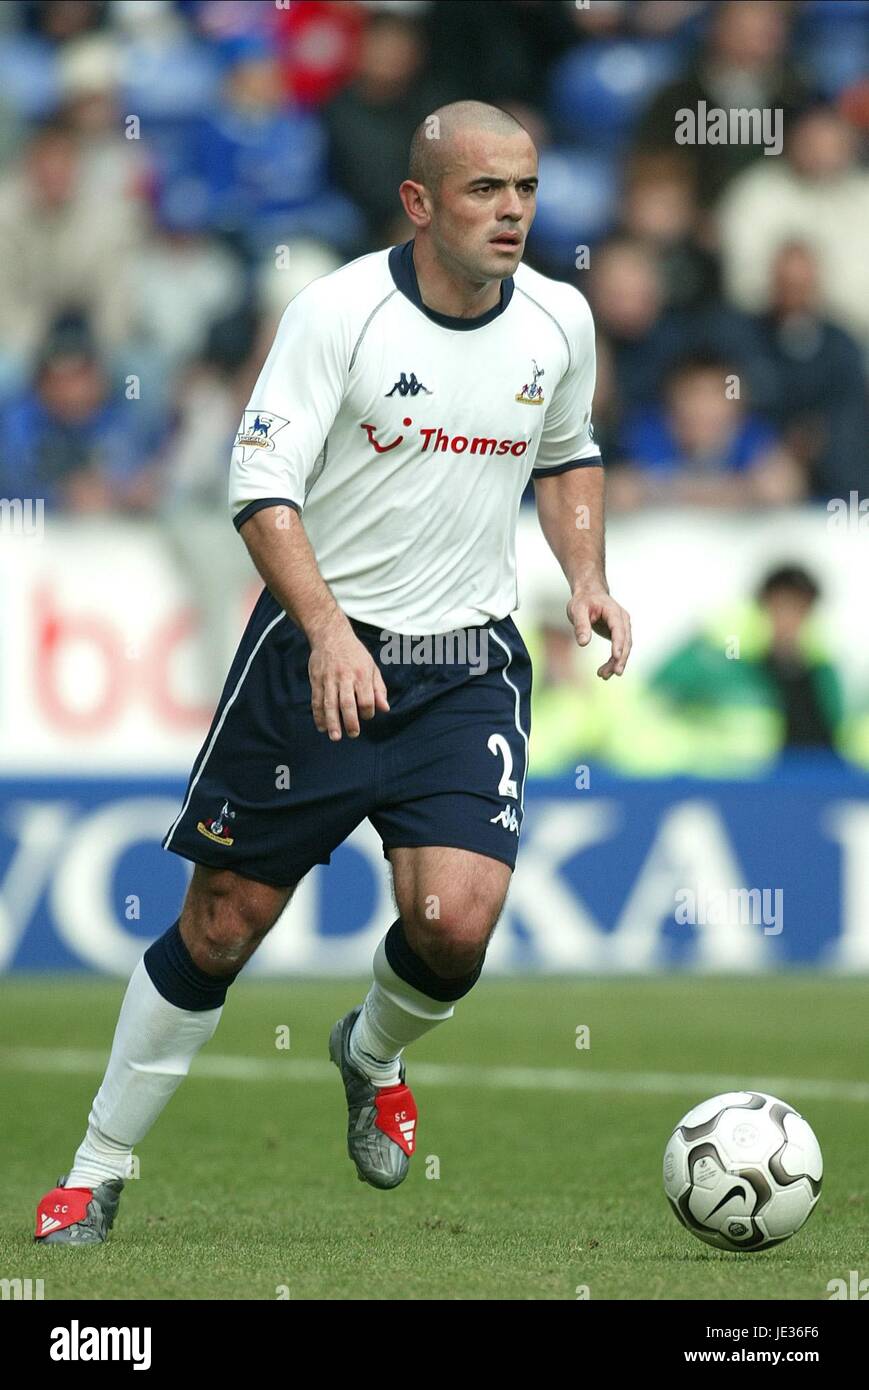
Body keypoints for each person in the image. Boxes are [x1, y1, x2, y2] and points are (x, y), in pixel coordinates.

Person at [35, 100, 631, 1244]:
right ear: (417, 202)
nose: (510, 212)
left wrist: (586, 575)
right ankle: (98, 1166)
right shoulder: (338, 313)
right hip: (318, 655)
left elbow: (567, 457)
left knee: (453, 923)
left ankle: (368, 1054)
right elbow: (259, 490)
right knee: (221, 924)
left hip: (465, 663)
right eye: (482, 191)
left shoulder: (560, 319)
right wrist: (325, 629)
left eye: (525, 191)